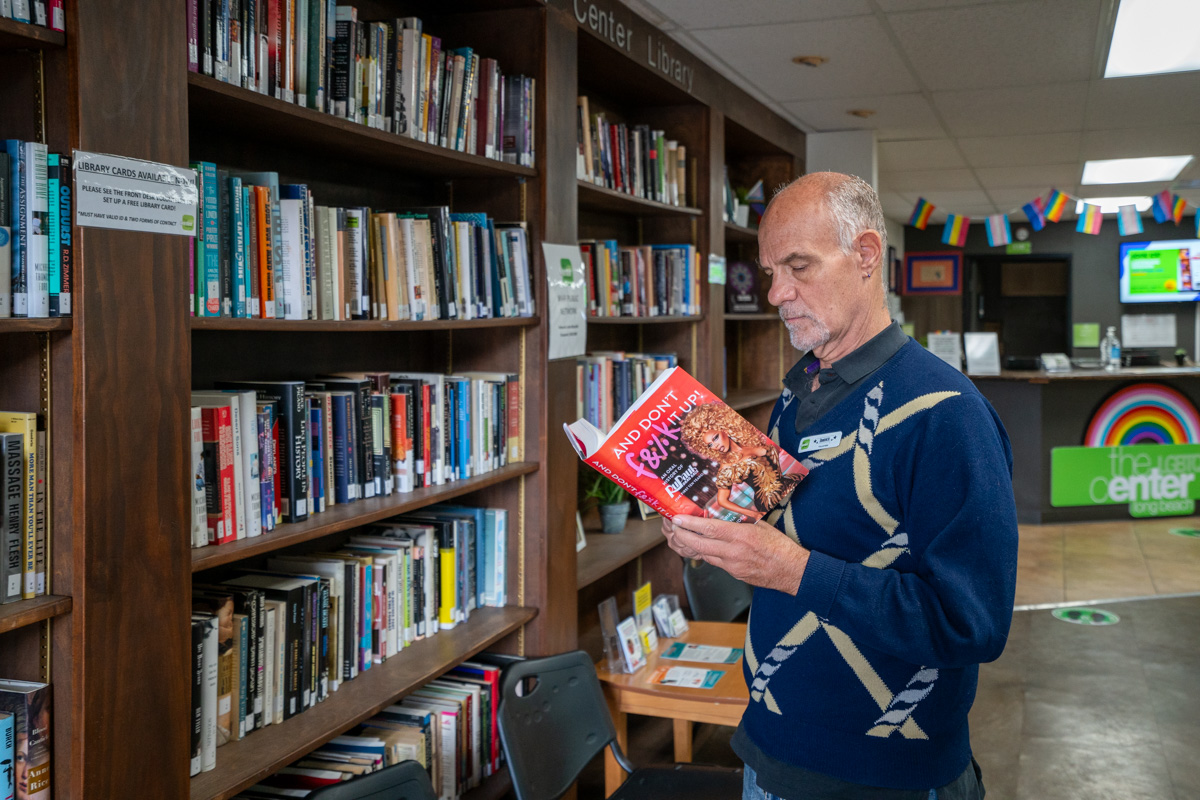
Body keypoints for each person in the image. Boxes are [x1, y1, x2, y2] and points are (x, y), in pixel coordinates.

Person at [662, 172, 1018, 800]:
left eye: (798, 266)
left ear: (866, 255)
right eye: (770, 270)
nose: (776, 293)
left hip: (881, 780)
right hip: (766, 748)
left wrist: (794, 570)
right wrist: (710, 530)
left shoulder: (947, 413)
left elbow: (971, 625)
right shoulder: (796, 393)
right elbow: (783, 539)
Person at [678, 402, 802, 521]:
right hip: (770, 502)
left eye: (715, 438)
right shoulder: (726, 468)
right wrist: (753, 513)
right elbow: (722, 501)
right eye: (710, 445)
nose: (715, 445)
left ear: (723, 428)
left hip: (790, 485)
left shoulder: (751, 441)